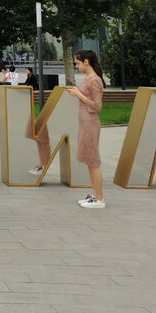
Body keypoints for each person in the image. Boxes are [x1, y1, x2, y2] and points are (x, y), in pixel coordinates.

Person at [66, 49, 106, 208]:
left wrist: (78, 95)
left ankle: (100, 198)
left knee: (93, 161)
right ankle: (96, 194)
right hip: (85, 121)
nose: (76, 66)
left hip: (90, 122)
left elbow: (97, 106)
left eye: (77, 63)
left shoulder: (94, 80)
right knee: (90, 160)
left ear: (86, 62)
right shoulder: (89, 78)